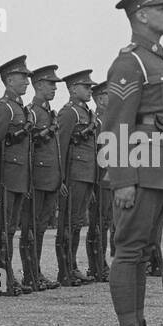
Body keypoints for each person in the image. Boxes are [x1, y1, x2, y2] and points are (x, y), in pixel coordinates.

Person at [101, 0, 163, 326]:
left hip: (161, 170)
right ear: (141, 15)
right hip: (140, 172)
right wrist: (122, 180)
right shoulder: (130, 62)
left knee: (142, 251)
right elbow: (116, 125)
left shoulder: (158, 59)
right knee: (129, 251)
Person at [0, 54, 33, 296]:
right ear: (9, 81)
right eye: (22, 78)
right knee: (0, 232)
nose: (27, 82)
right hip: (6, 178)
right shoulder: (4, 108)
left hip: (19, 178)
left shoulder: (19, 107)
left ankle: (8, 280)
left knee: (9, 231)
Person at [56, 69, 98, 287]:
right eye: (86, 86)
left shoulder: (87, 113)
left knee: (77, 223)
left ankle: (72, 266)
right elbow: (61, 147)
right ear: (73, 89)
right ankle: (65, 270)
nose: (90, 89)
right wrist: (61, 179)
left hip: (86, 175)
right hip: (73, 175)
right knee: (68, 223)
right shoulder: (69, 113)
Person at [25, 65, 64, 292]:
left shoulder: (50, 112)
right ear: (38, 85)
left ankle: (36, 271)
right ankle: (30, 273)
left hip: (51, 178)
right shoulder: (32, 112)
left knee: (40, 228)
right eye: (51, 84)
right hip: (37, 178)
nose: (54, 88)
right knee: (30, 228)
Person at [87, 81, 113, 282]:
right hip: (100, 179)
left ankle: (101, 263)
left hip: (111, 179)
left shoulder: (110, 121)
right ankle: (96, 264)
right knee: (98, 224)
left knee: (106, 222)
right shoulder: (97, 122)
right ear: (100, 99)